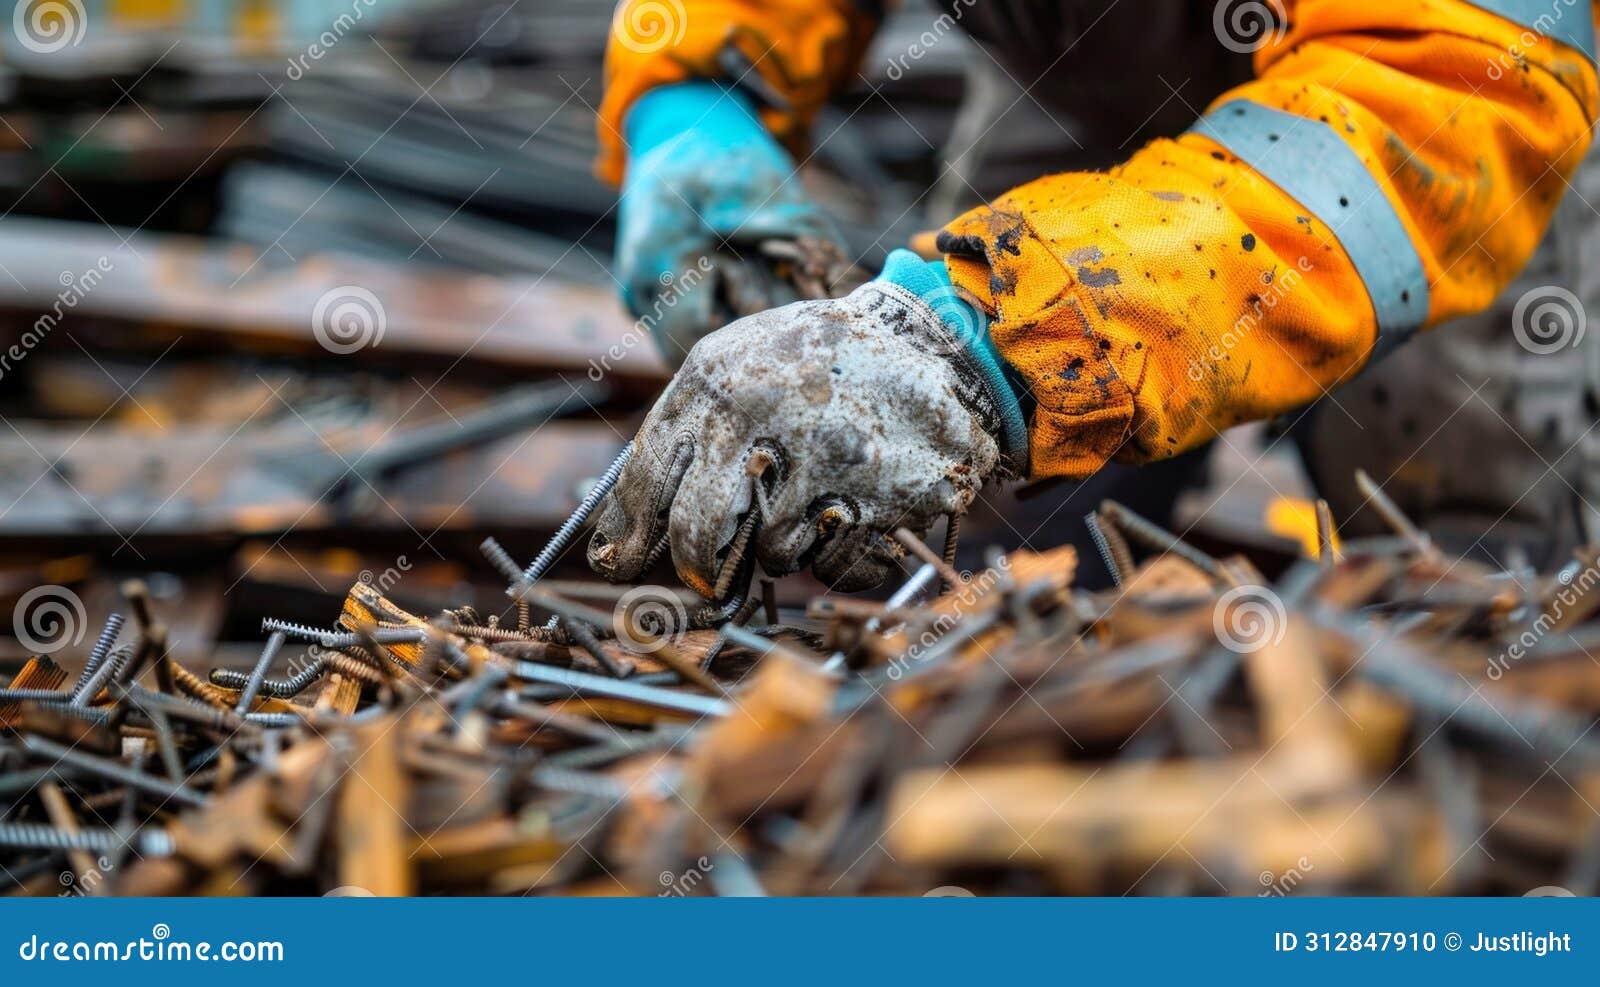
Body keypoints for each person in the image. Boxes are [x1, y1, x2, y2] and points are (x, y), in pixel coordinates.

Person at [585, 0, 1600, 598]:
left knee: (1466, 576)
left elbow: (1442, 91)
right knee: (962, 555)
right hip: (1086, 83)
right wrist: (693, 91)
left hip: (1432, 132)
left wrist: (989, 332)